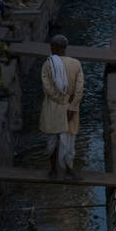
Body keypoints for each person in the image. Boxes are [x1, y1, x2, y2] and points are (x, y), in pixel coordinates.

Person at [40, 35, 84, 179]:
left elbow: (47, 88)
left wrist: (61, 99)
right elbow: (79, 90)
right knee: (69, 141)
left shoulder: (48, 64)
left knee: (52, 140)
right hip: (71, 109)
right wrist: (71, 106)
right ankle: (69, 171)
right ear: (65, 48)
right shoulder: (76, 64)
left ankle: (53, 170)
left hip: (52, 107)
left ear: (54, 48)